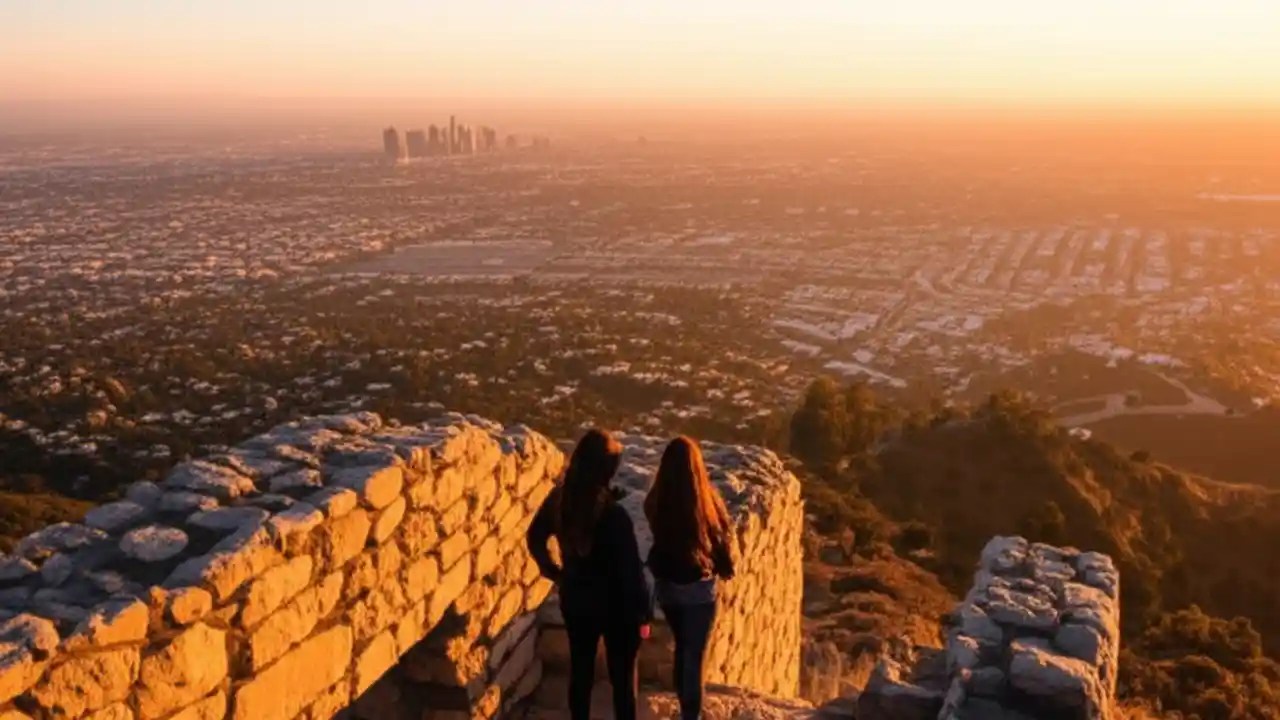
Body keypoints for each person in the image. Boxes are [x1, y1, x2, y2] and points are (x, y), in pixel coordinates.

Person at [527, 429, 652, 720]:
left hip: (576, 599)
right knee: (622, 680)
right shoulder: (614, 517)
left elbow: (535, 537)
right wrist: (643, 615)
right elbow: (631, 573)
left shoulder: (559, 500)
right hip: (616, 610)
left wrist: (553, 572)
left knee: (580, 672)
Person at [645, 436, 736, 720]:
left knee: (683, 647)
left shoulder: (655, 501)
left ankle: (684, 705)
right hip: (699, 592)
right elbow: (722, 538)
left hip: (668, 590)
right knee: (693, 656)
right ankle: (690, 714)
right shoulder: (707, 501)